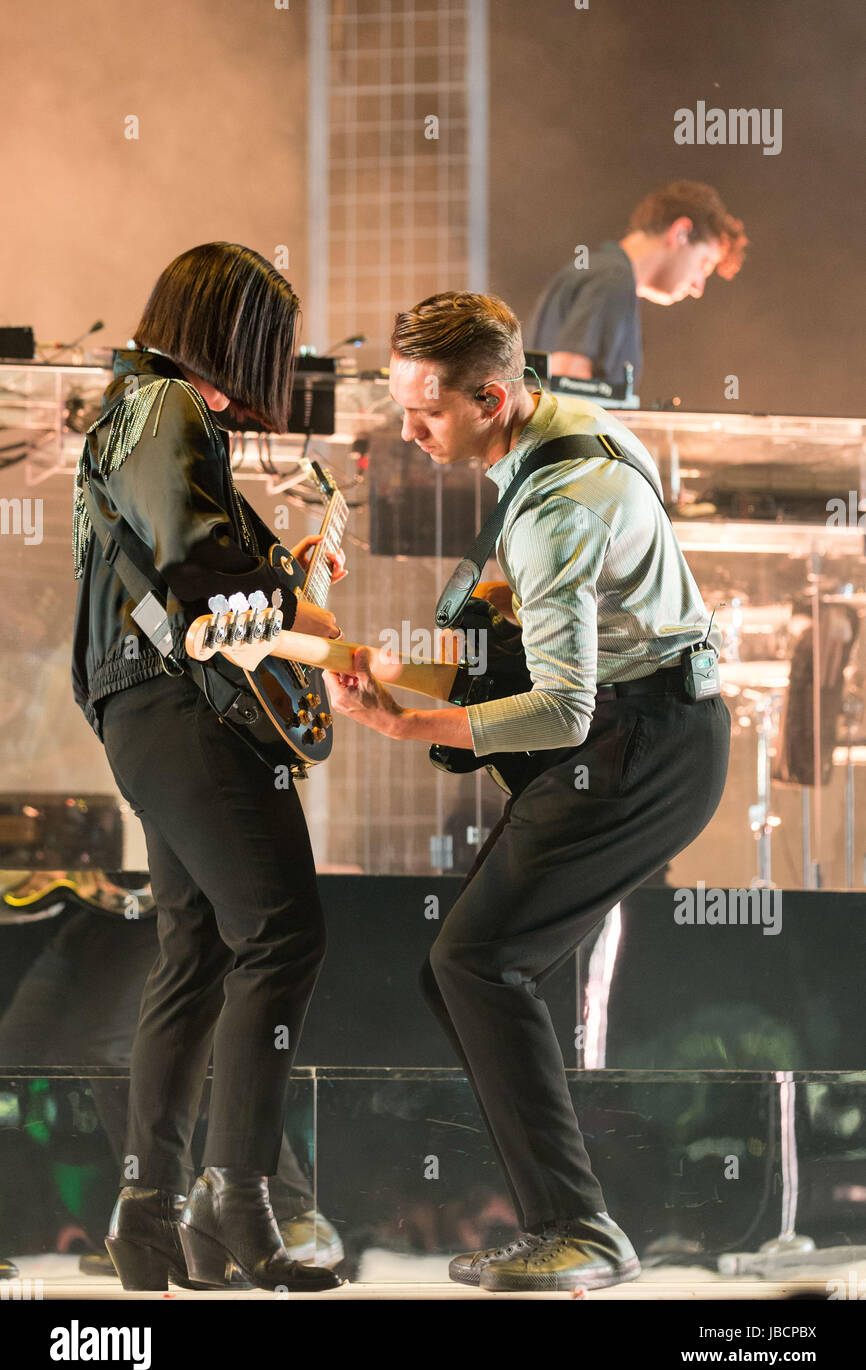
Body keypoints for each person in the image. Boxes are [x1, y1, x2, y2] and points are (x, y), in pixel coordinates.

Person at [323, 291, 732, 1292]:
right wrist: (427, 663)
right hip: (645, 726)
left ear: (494, 394)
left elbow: (558, 712)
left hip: (643, 745)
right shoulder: (564, 427)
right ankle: (566, 1219)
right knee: (464, 968)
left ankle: (581, 1230)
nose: (406, 432)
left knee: (476, 964)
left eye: (424, 413)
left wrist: (409, 721)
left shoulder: (555, 507)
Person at [70, 242, 345, 1293]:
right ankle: (236, 1194)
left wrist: (284, 564)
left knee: (194, 953)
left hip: (139, 707)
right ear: (227, 334)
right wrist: (301, 604)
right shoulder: (169, 410)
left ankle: (151, 1219)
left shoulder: (127, 413)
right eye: (264, 343)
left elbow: (185, 561)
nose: (265, 372)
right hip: (175, 705)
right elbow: (195, 567)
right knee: (284, 930)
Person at [523, 180, 747, 387]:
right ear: (681, 233)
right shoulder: (613, 280)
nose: (698, 288)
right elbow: (568, 383)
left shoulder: (601, 272)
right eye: (703, 266)